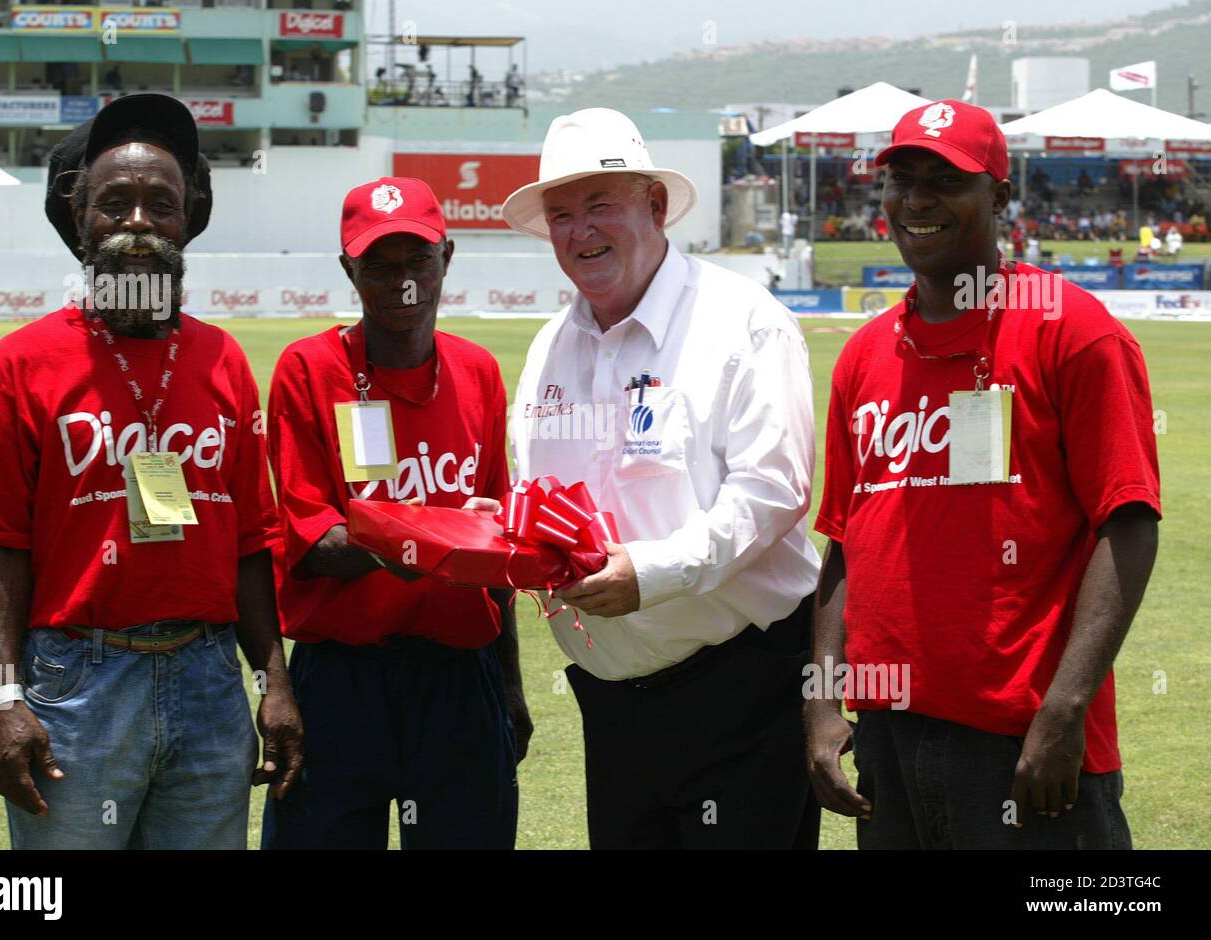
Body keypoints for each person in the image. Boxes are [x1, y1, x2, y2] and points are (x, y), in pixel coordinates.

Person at [0, 94, 303, 850]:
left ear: (187, 220)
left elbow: (252, 541)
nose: (139, 222)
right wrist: (4, 699)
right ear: (79, 217)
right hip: (75, 683)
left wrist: (273, 679)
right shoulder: (20, 364)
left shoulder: (224, 361)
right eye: (115, 203)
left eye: (160, 204)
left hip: (209, 680)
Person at [806, 99, 1161, 849]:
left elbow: (1128, 524)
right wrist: (823, 700)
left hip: (1029, 740)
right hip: (891, 732)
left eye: (947, 180)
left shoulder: (1074, 332)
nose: (917, 200)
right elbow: (844, 542)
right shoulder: (864, 356)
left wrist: (1064, 711)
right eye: (902, 179)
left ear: (999, 197)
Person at [491, 108, 822, 849]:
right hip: (612, 707)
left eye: (601, 204)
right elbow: (536, 495)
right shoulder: (550, 347)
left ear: (656, 205)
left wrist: (652, 572)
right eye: (562, 214)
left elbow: (774, 491)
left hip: (743, 691)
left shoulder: (745, 322)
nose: (580, 231)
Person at [261, 177, 526, 850]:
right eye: (379, 264)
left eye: (417, 260)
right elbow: (312, 540)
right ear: (348, 268)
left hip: (461, 676)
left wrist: (511, 684)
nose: (401, 280)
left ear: (448, 257)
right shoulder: (307, 370)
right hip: (342, 677)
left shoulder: (478, 373)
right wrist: (426, 543)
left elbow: (500, 555)